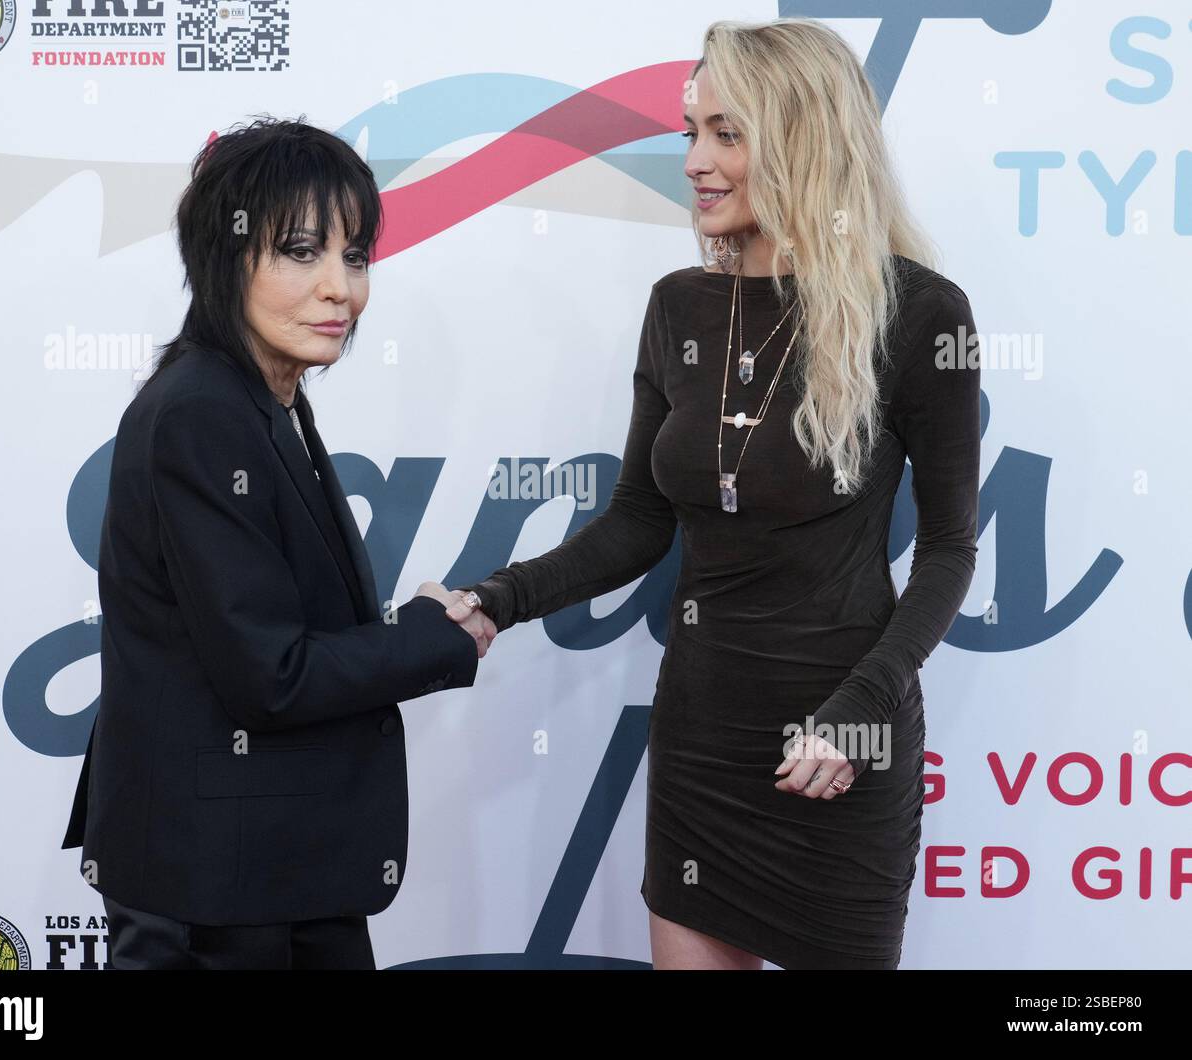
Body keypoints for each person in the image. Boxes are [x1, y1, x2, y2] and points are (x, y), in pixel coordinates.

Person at [442, 19, 981, 969]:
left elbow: (948, 550)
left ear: (803, 136)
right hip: (701, 740)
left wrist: (863, 705)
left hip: (843, 745)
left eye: (725, 134)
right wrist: (497, 599)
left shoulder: (924, 315)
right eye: (689, 131)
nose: (692, 161)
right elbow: (637, 524)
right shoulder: (679, 307)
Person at [60, 116, 497, 970]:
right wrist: (431, 639)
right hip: (214, 887)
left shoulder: (267, 398)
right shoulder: (202, 413)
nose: (342, 289)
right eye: (302, 252)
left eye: (356, 256)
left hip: (268, 865)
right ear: (227, 259)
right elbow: (272, 675)